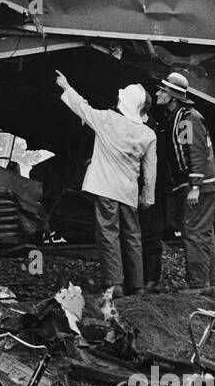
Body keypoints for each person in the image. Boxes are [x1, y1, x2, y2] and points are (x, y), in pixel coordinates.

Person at [55, 71, 156, 296]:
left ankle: (114, 284)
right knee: (133, 236)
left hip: (106, 188)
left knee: (109, 233)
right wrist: (148, 196)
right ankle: (137, 285)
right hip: (129, 191)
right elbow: (150, 170)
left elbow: (81, 107)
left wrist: (66, 86)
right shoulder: (148, 134)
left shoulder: (106, 119)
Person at [154, 71, 215, 294]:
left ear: (173, 96)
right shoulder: (180, 116)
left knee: (193, 231)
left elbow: (196, 152)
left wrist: (195, 186)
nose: (158, 93)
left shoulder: (187, 119)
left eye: (162, 90)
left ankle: (199, 284)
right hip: (203, 183)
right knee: (204, 233)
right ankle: (210, 283)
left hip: (201, 185)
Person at [137, 91, 166, 292]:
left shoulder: (152, 131)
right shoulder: (151, 127)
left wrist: (148, 193)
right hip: (139, 187)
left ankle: (151, 279)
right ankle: (142, 278)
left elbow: (155, 167)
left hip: (149, 189)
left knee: (149, 235)